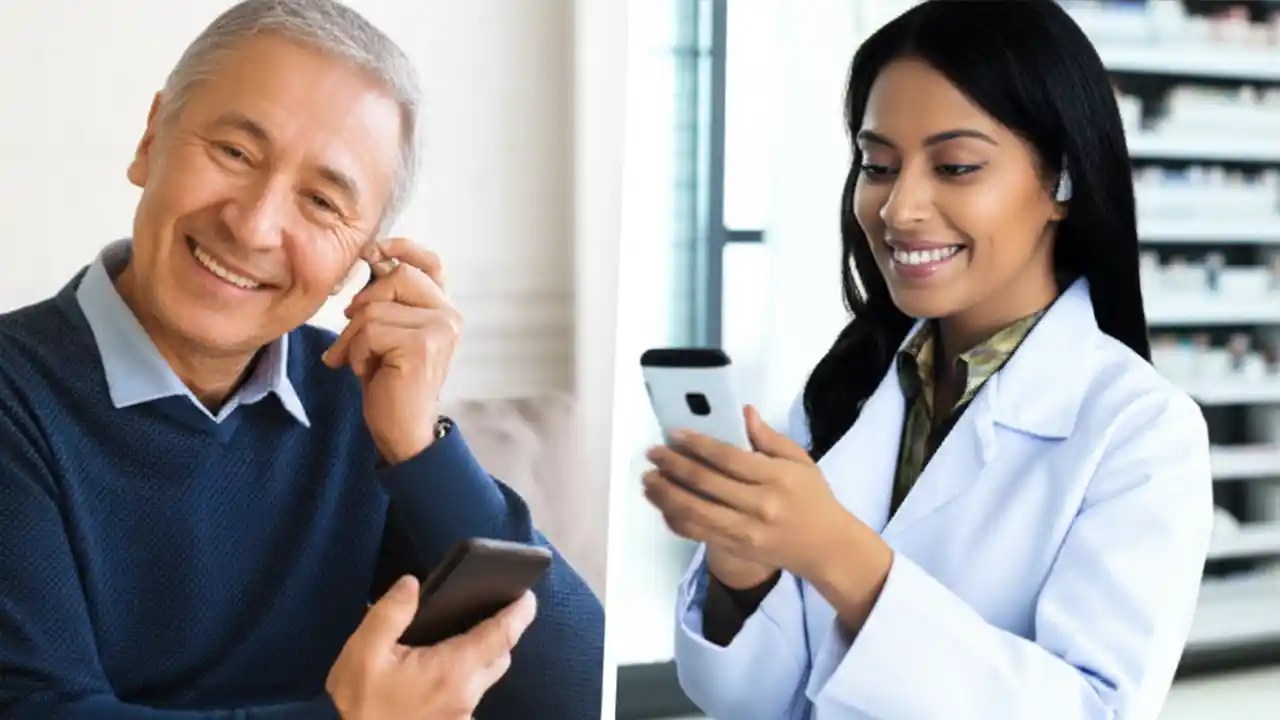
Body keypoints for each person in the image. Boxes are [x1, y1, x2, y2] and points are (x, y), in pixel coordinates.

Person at [0, 1, 602, 718]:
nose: (253, 226)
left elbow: (575, 693)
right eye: (234, 153)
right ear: (151, 138)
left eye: (321, 200)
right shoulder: (17, 394)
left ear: (363, 257)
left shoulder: (353, 399)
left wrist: (418, 449)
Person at [642, 1, 1212, 718]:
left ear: (1062, 180)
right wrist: (743, 568)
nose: (898, 207)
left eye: (956, 166)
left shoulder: (1141, 431)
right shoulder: (844, 394)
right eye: (878, 164)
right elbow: (751, 699)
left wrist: (836, 553)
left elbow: (1094, 710)